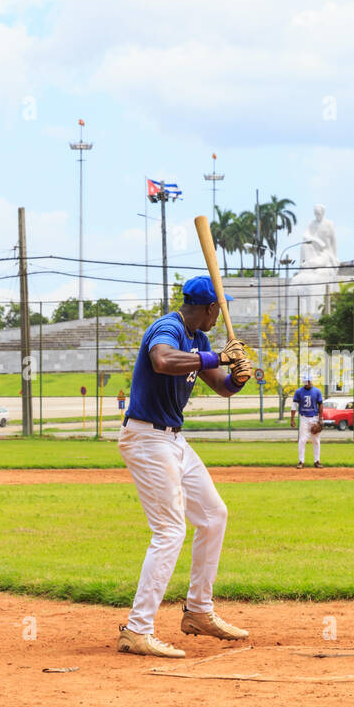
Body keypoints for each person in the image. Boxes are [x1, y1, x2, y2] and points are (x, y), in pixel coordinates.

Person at [116, 275, 254, 658]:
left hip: (173, 439)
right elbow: (162, 361)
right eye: (220, 308)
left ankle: (198, 611)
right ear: (210, 308)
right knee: (170, 529)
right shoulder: (168, 328)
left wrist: (237, 376)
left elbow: (222, 386)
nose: (220, 315)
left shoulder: (201, 339)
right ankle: (137, 630)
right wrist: (219, 357)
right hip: (146, 438)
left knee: (213, 515)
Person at [289, 373, 324, 468]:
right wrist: (292, 419)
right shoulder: (299, 392)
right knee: (302, 440)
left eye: (308, 381)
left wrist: (320, 419)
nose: (307, 383)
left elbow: (320, 404)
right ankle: (301, 461)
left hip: (314, 417)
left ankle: (317, 461)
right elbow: (294, 405)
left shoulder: (317, 391)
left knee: (316, 440)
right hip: (304, 418)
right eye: (305, 382)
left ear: (311, 381)